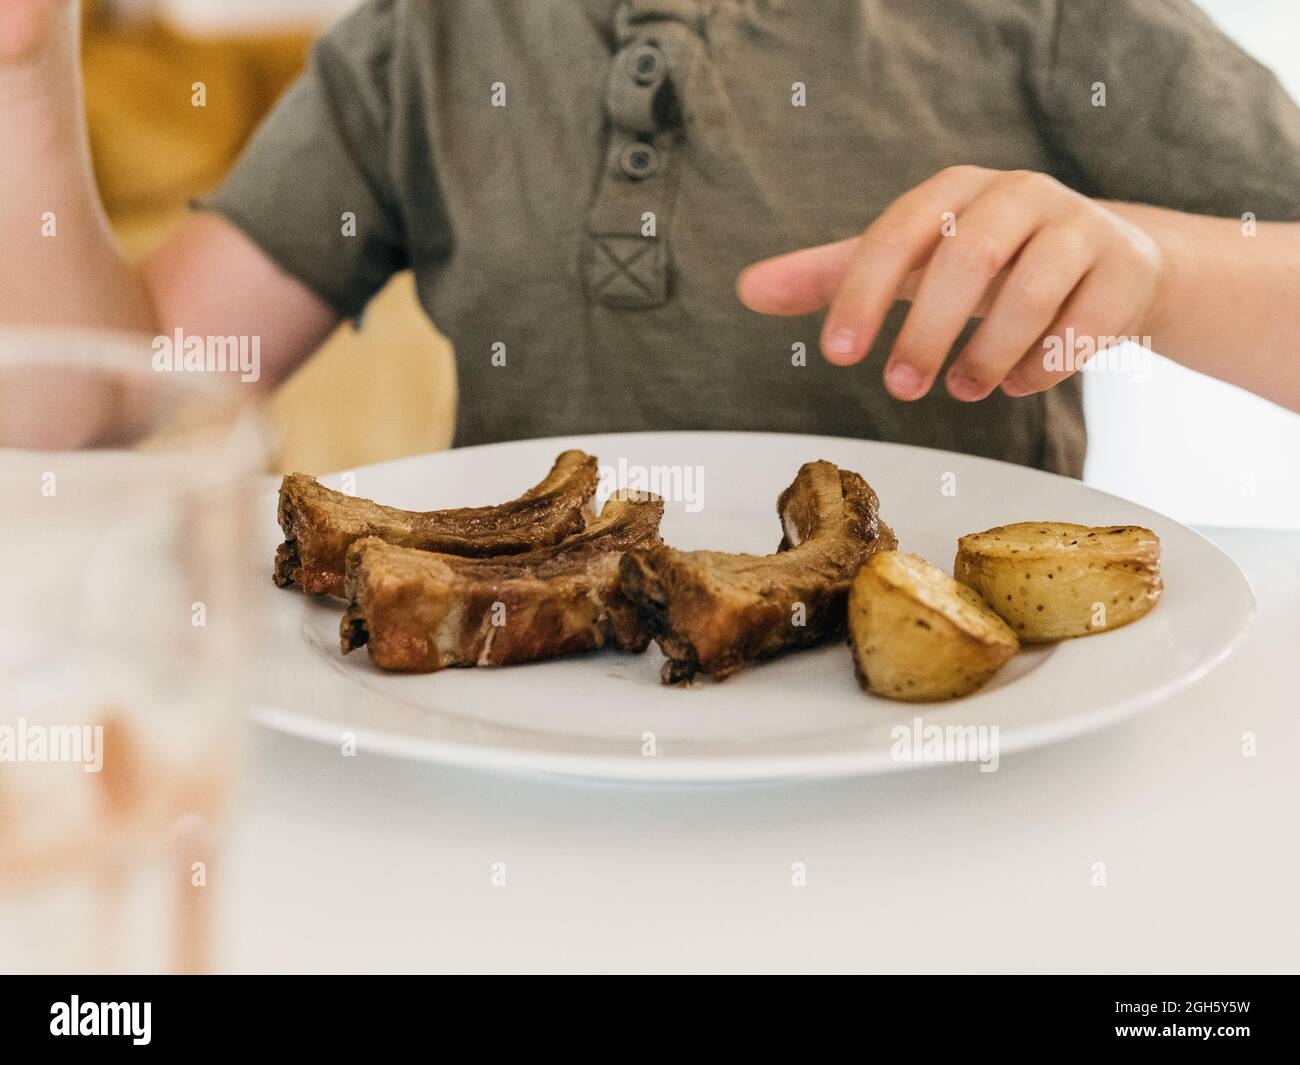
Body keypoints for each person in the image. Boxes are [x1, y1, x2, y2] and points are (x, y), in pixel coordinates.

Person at [3, 0, 1298, 476]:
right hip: (528, 772)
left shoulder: (1060, 19)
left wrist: (1161, 273)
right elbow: (103, 412)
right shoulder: (427, 41)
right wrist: (22, 75)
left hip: (962, 784)